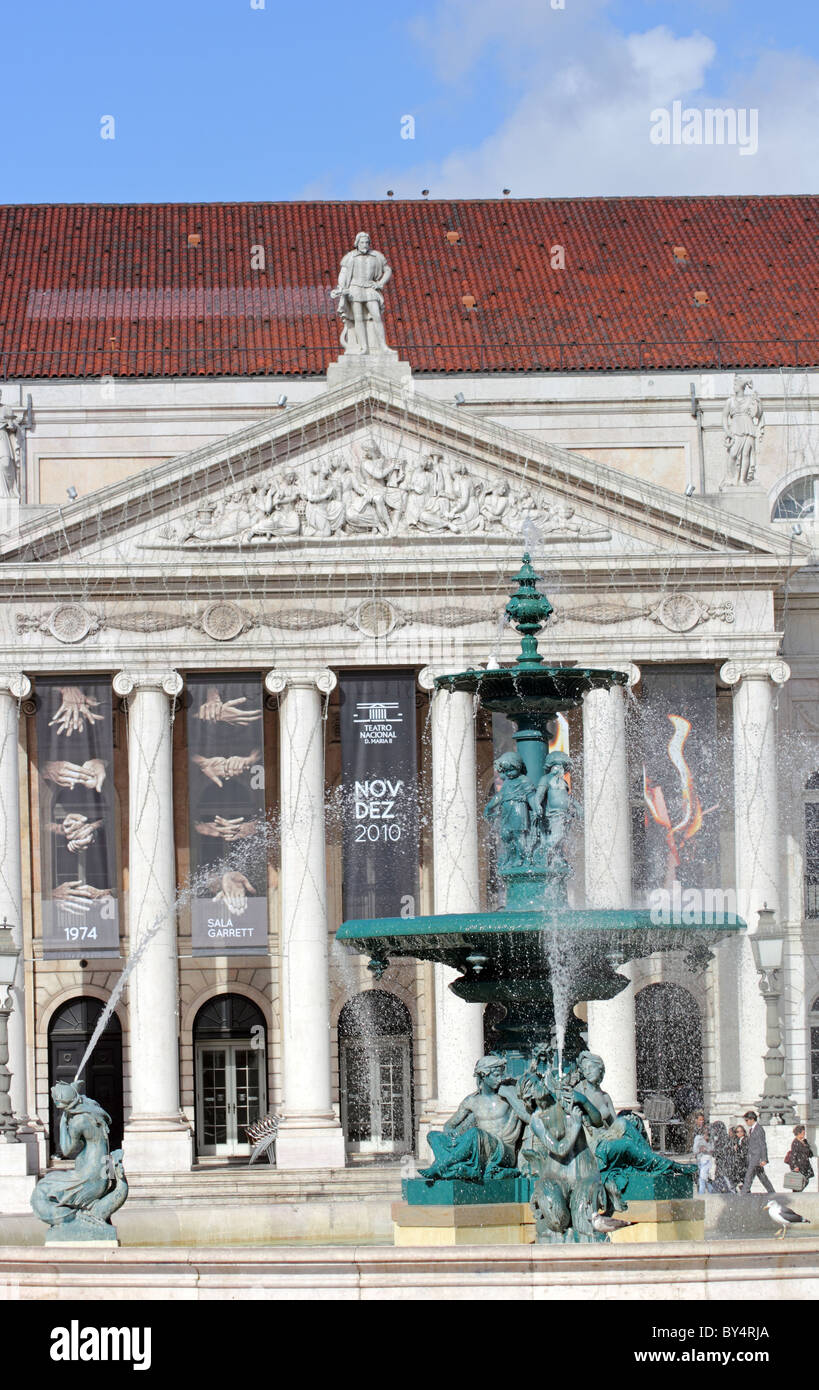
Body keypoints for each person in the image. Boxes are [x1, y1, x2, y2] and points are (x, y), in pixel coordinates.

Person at [739, 1110, 774, 1194]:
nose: (746, 1122)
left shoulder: (759, 1129)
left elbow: (762, 1144)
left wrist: (764, 1159)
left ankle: (743, 1194)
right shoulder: (752, 1129)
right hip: (753, 1157)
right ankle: (772, 1192)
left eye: (747, 1120)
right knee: (762, 1177)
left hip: (756, 1157)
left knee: (749, 1175)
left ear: (752, 1119)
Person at [710, 1121, 734, 1192]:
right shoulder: (722, 1138)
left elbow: (721, 1152)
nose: (714, 1131)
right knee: (720, 1186)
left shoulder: (723, 1139)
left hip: (723, 1167)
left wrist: (713, 1152)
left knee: (727, 1186)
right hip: (721, 1167)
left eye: (715, 1129)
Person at [693, 1122, 714, 1194]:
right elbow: (694, 1151)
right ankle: (709, 1193)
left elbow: (713, 1150)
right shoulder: (698, 1138)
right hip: (701, 1161)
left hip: (709, 1160)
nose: (707, 1131)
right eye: (706, 1129)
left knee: (704, 1178)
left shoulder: (711, 1139)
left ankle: (702, 1194)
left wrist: (707, 1149)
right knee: (703, 1178)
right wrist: (700, 1150)